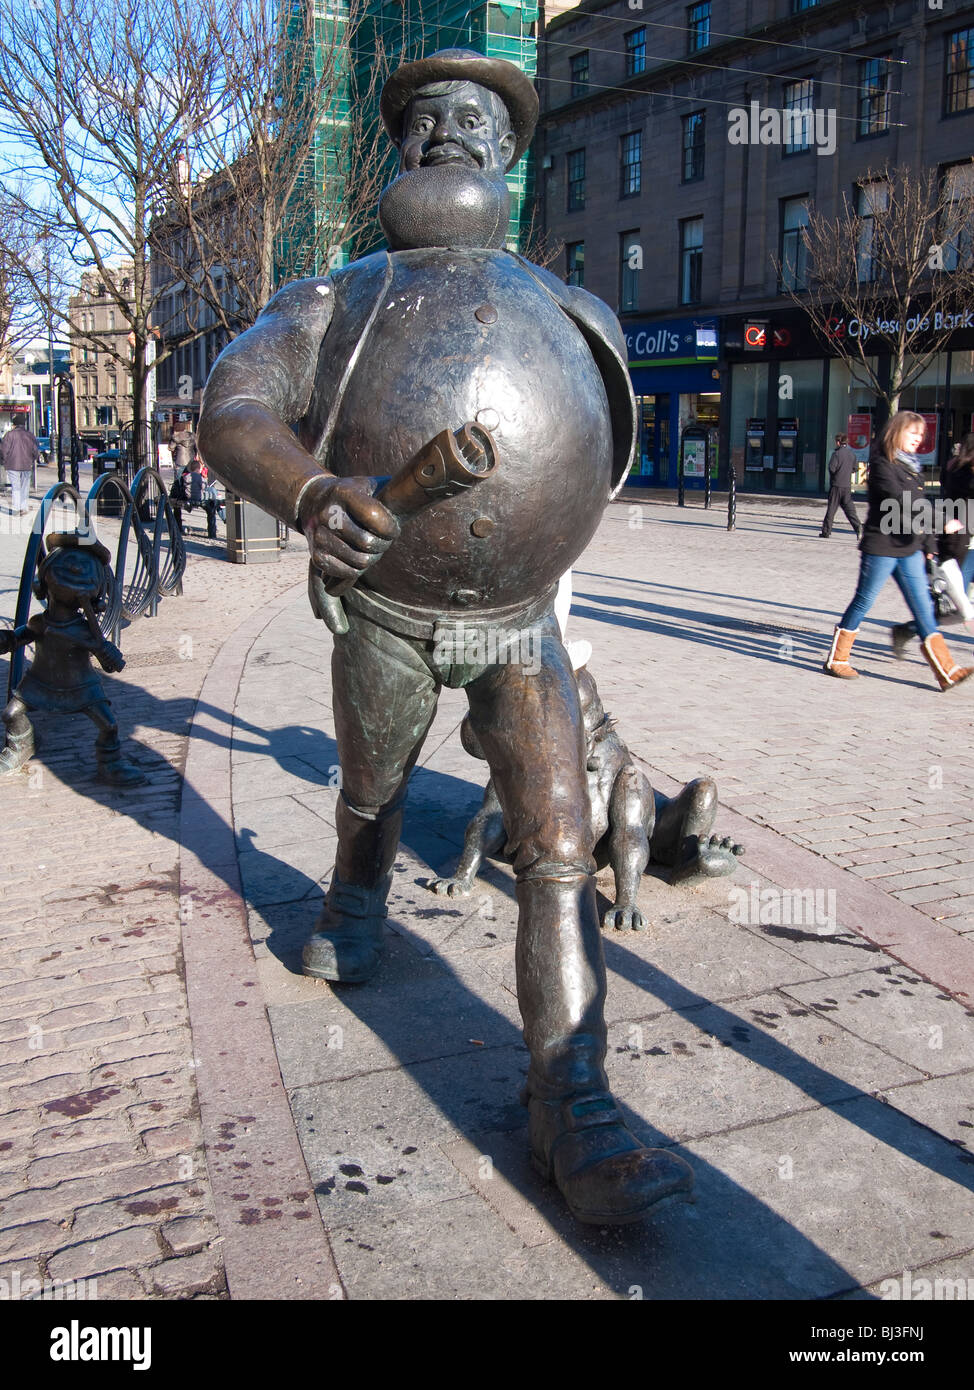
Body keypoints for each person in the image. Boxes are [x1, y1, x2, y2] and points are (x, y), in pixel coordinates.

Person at [199, 48, 693, 1225]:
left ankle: (571, 1098)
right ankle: (357, 896)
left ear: (508, 154)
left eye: (473, 119)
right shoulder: (334, 296)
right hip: (386, 606)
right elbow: (233, 403)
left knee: (559, 838)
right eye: (426, 119)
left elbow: (603, 454)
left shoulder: (568, 307)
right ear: (396, 148)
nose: (449, 134)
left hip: (520, 619)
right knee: (370, 790)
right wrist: (317, 496)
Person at [824, 410, 973, 689]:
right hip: (882, 545)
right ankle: (837, 659)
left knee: (923, 609)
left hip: (910, 548)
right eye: (913, 433)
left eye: (921, 435)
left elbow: (919, 507)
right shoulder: (882, 464)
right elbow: (902, 502)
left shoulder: (912, 467)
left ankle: (946, 671)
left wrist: (929, 546)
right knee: (864, 600)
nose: (918, 439)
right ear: (897, 432)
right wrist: (943, 522)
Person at [890, 432, 974, 655]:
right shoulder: (959, 472)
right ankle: (908, 629)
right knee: (954, 608)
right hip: (961, 546)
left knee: (960, 608)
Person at [819, 434, 862, 538]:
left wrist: (836, 475)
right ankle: (858, 527)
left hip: (836, 485)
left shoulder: (836, 454)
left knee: (831, 510)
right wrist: (847, 472)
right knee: (849, 509)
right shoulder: (851, 454)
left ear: (838, 442)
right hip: (847, 486)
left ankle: (826, 532)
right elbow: (856, 468)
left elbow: (832, 468)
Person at [1, 416, 40, 515]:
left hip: (12, 464)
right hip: (26, 464)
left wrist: (4, 461)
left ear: (14, 424)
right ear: (24, 424)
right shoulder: (30, 435)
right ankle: (23, 507)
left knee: (16, 487)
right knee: (24, 486)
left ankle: (17, 508)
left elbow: (3, 450)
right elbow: (35, 451)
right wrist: (33, 459)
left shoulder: (9, 435)